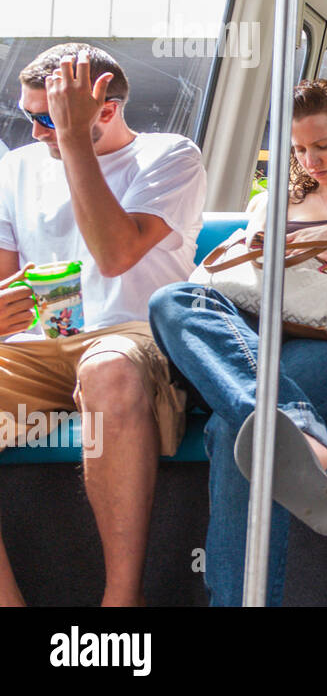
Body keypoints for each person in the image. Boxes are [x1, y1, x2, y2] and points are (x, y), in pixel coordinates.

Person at [149, 79, 327, 606]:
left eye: (322, 146)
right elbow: (235, 277)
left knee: (238, 429)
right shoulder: (278, 200)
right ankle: (296, 425)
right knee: (170, 300)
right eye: (299, 150)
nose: (311, 160)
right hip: (269, 345)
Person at [0, 43, 205, 607]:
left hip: (132, 334)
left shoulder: (170, 156)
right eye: (30, 117)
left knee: (108, 368)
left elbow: (116, 254)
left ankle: (121, 604)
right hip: (39, 344)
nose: (38, 132)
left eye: (49, 118)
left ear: (105, 110)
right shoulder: (14, 170)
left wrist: (72, 143)